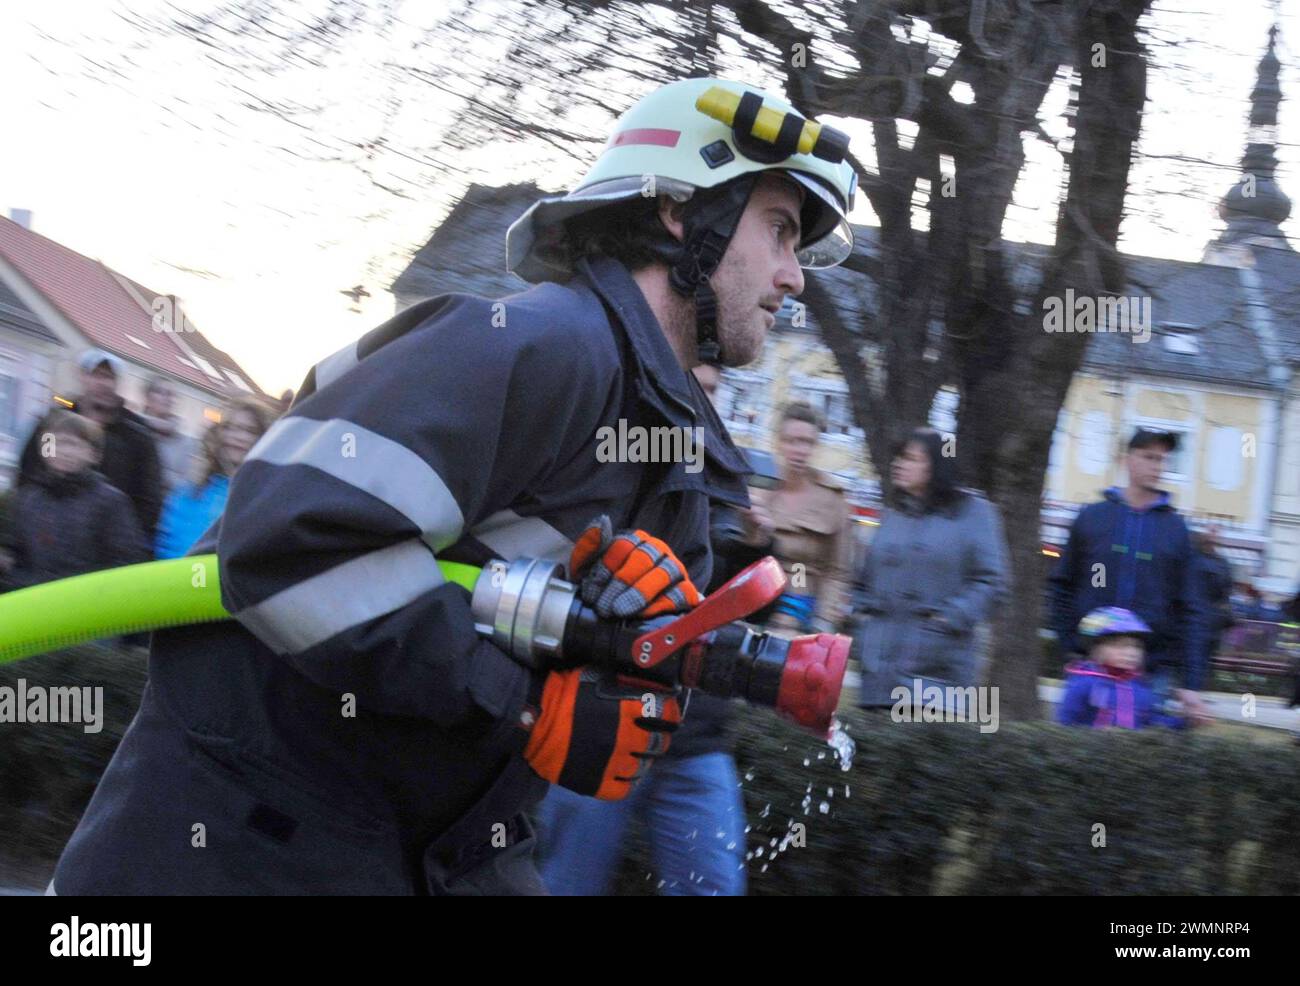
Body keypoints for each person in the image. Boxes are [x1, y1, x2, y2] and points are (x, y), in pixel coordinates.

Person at [47, 77, 858, 895]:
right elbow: (289, 544)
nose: (794, 277)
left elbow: (574, 667)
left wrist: (611, 683)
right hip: (241, 845)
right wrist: (526, 705)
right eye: (780, 231)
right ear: (683, 210)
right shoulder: (539, 351)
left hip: (440, 851)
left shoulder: (679, 454)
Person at [534, 363, 753, 897]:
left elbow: (725, 601)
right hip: (596, 718)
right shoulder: (600, 458)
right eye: (694, 386)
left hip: (695, 730)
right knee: (563, 885)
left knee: (713, 888)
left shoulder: (722, 472)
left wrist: (754, 550)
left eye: (712, 391)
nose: (703, 401)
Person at [1048, 429, 1212, 726]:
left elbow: (1192, 607)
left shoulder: (1176, 530)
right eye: (1149, 457)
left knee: (1140, 760)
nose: (1157, 466)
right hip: (1090, 667)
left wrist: (1191, 681)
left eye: (1162, 460)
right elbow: (1062, 586)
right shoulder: (1093, 517)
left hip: (1150, 671)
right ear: (1127, 460)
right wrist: (1070, 645)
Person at [853, 428, 1008, 708]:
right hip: (878, 673)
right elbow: (863, 583)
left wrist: (948, 620)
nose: (898, 464)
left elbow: (992, 582)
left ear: (937, 465)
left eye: (911, 458)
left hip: (938, 677)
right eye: (898, 458)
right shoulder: (892, 515)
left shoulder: (974, 513)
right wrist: (862, 622)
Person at [18, 349, 163, 542]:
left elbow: (149, 496)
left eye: (110, 377)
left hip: (110, 540)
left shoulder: (135, 434)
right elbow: (31, 471)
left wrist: (131, 536)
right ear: (83, 377)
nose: (103, 384)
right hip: (48, 536)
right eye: (97, 375)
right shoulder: (53, 423)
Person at [0, 410, 148, 591]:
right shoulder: (26, 499)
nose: (65, 451)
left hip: (85, 603)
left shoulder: (110, 502)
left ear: (93, 454)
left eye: (74, 444)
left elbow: (127, 559)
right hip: (32, 601)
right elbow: (13, 554)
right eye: (57, 443)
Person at [748, 401, 854, 634]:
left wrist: (824, 622)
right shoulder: (757, 487)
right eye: (791, 441)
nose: (800, 450)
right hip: (749, 600)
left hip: (798, 605)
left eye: (807, 442)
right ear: (778, 442)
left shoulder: (832, 498)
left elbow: (837, 571)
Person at [155, 397, 274, 559]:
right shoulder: (191, 491)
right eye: (230, 428)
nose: (237, 436)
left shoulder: (267, 497)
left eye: (249, 430)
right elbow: (168, 544)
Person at [1056, 607, 1185, 729]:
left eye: (1137, 646)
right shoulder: (1083, 684)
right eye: (1121, 646)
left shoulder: (1140, 686)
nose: (1131, 652)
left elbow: (1152, 720)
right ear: (1096, 650)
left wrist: (1183, 722)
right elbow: (1065, 724)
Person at [140, 377, 202, 496]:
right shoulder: (134, 428)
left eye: (171, 394)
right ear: (147, 397)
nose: (167, 398)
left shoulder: (186, 443)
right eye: (160, 392)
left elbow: (186, 483)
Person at [1191, 525, 1235, 660]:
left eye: (1215, 531)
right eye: (1210, 531)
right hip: (1205, 624)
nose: (1213, 534)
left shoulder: (1220, 563)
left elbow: (1225, 593)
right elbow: (1225, 593)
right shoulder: (1220, 564)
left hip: (1205, 625)